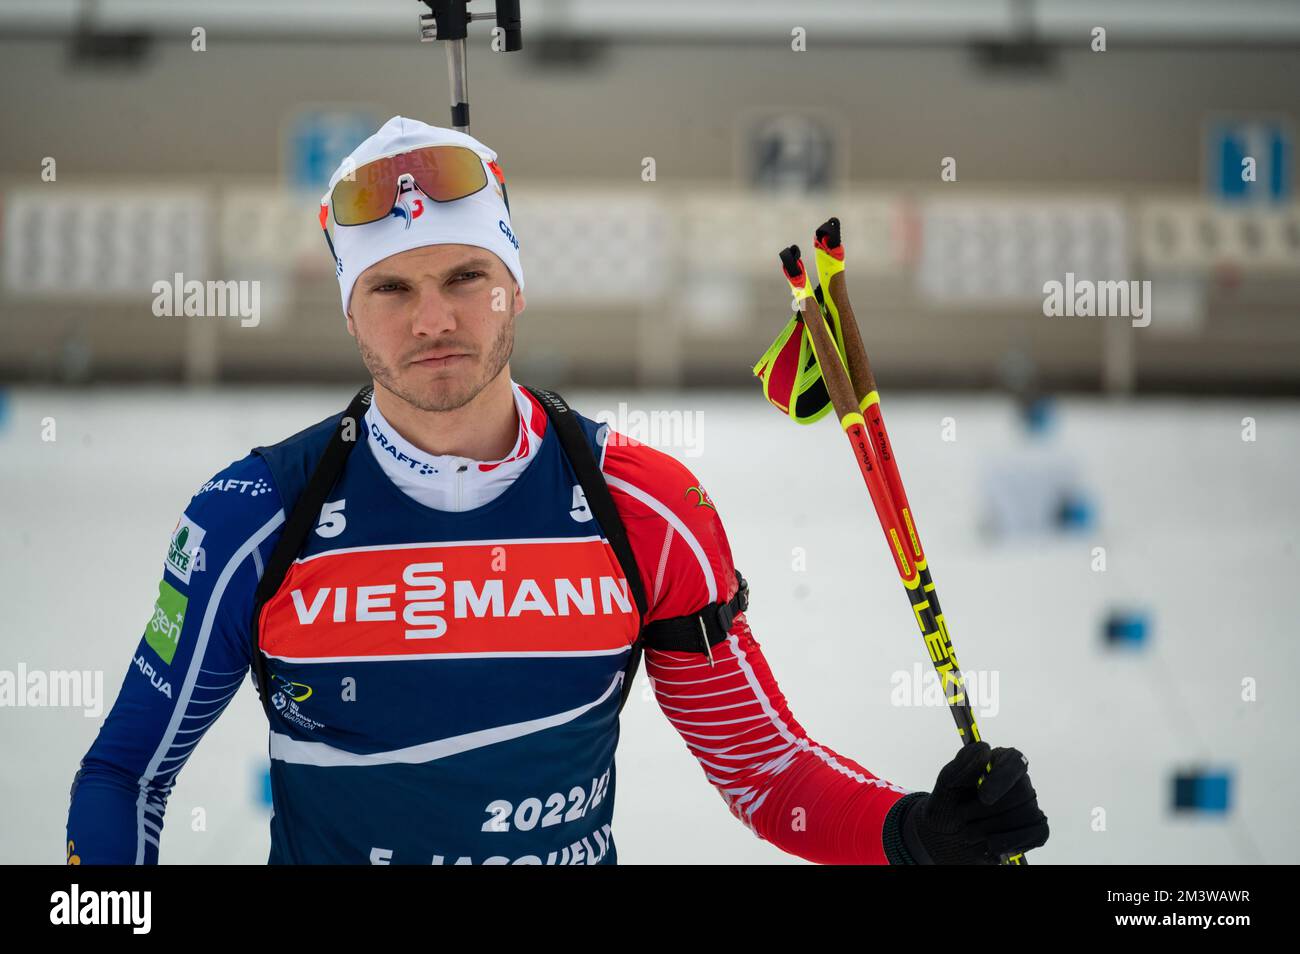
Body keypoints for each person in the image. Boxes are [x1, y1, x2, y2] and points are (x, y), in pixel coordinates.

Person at [65, 116, 1048, 865]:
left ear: (516, 285)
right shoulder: (252, 517)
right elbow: (125, 775)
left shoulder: (647, 507)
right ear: (350, 312)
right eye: (390, 289)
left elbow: (762, 766)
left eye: (465, 276)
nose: (434, 319)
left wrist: (916, 830)